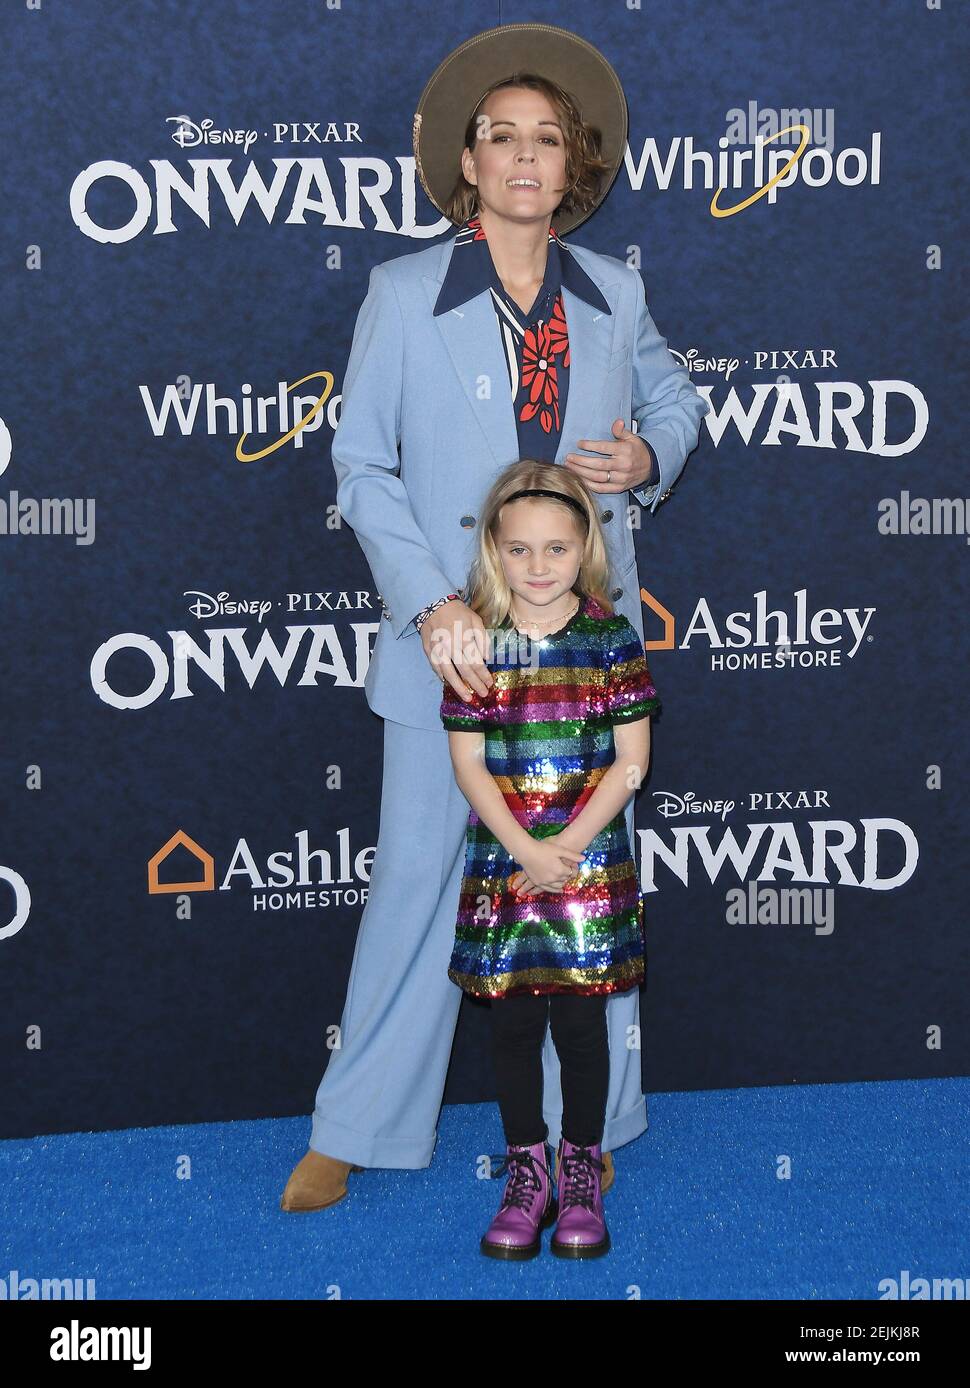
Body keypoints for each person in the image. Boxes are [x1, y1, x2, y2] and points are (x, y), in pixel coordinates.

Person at [280, 22, 709, 1214]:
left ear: (575, 165)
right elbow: (361, 466)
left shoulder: (615, 292)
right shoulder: (403, 292)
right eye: (500, 137)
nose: (525, 158)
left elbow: (673, 394)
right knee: (418, 880)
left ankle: (593, 1126)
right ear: (464, 162)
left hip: (583, 648)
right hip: (452, 647)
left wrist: (651, 449)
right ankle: (355, 1124)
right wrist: (428, 608)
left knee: (587, 881)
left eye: (547, 140)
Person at [437, 460, 660, 1260]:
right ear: (495, 551)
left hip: (588, 864)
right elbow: (468, 766)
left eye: (556, 550)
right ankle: (524, 1169)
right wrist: (526, 848)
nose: (539, 566)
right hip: (508, 862)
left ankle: (580, 1174)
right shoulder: (477, 645)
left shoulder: (610, 639)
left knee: (581, 1023)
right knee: (515, 1019)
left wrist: (566, 847)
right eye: (521, 549)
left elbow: (632, 757)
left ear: (585, 550)